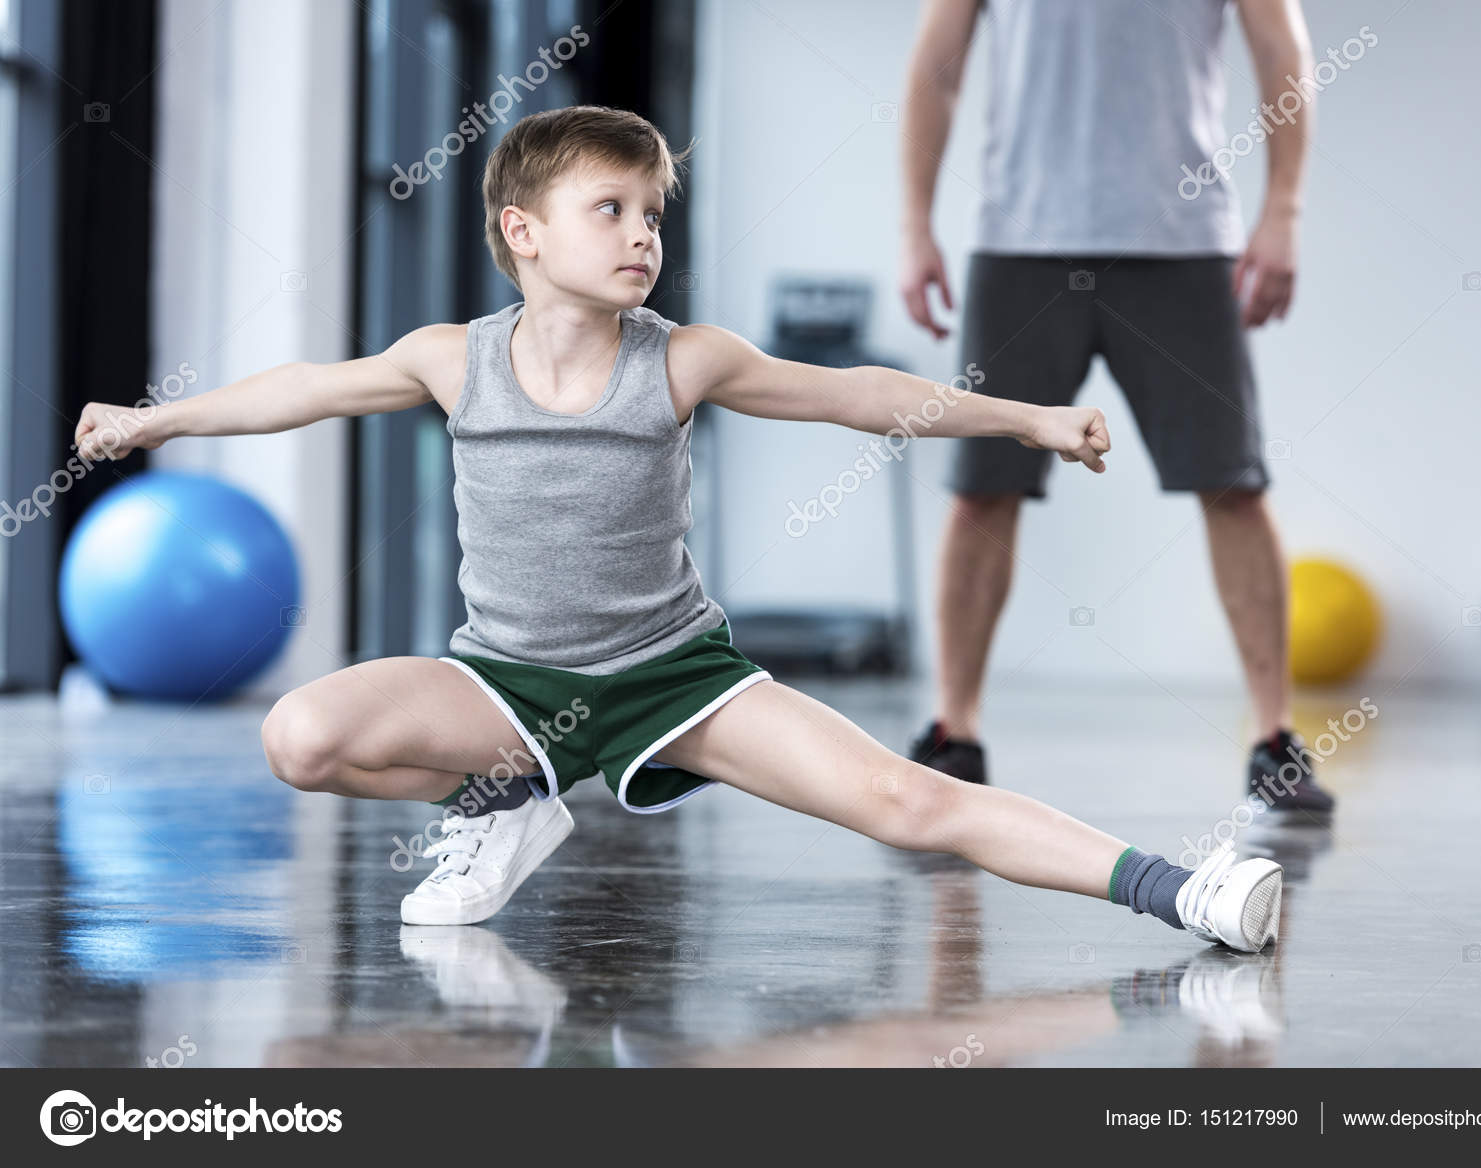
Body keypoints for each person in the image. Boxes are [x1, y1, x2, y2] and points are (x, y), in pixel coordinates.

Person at [72, 104, 1282, 953]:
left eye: (653, 212)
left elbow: (856, 391)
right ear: (522, 231)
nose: (643, 232)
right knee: (301, 735)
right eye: (611, 208)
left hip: (676, 678)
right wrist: (154, 420)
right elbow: (302, 388)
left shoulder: (687, 360)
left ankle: (1185, 891)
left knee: (909, 804)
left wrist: (1026, 419)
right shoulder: (448, 361)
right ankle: (516, 788)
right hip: (503, 684)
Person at [898, 0, 1335, 815]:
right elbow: (937, 67)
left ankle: (1274, 739)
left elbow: (1283, 49)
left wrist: (1285, 210)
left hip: (1183, 241)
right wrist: (915, 224)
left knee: (1233, 484)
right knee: (983, 488)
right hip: (1021, 240)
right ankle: (954, 733)